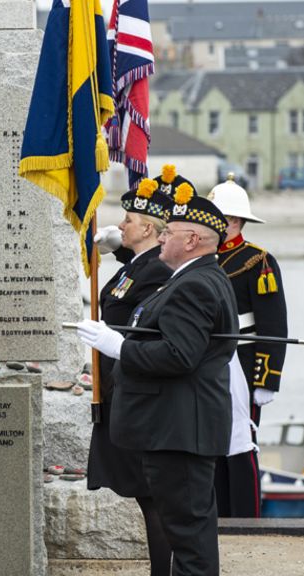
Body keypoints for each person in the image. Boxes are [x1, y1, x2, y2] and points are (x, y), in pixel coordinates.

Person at [78, 185, 238, 576]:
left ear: (193, 240)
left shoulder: (195, 285)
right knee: (189, 534)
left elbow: (178, 355)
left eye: (170, 232)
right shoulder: (191, 277)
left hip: (178, 429)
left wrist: (118, 346)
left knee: (188, 536)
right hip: (176, 426)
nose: (162, 236)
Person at [87, 179, 173, 576]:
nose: (122, 224)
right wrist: (117, 246)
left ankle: (164, 570)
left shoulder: (156, 272)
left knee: (150, 493)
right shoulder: (139, 264)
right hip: (116, 385)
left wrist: (113, 342)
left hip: (134, 388)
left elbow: (141, 320)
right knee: (141, 493)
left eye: (129, 220)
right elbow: (134, 270)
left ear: (150, 229)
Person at [208, 174, 288, 518]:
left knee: (241, 448)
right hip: (208, 359)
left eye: (220, 219)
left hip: (243, 360)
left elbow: (273, 324)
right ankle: (219, 517)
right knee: (210, 444)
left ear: (236, 221)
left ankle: (245, 520)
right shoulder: (201, 256)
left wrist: (267, 379)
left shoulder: (258, 261)